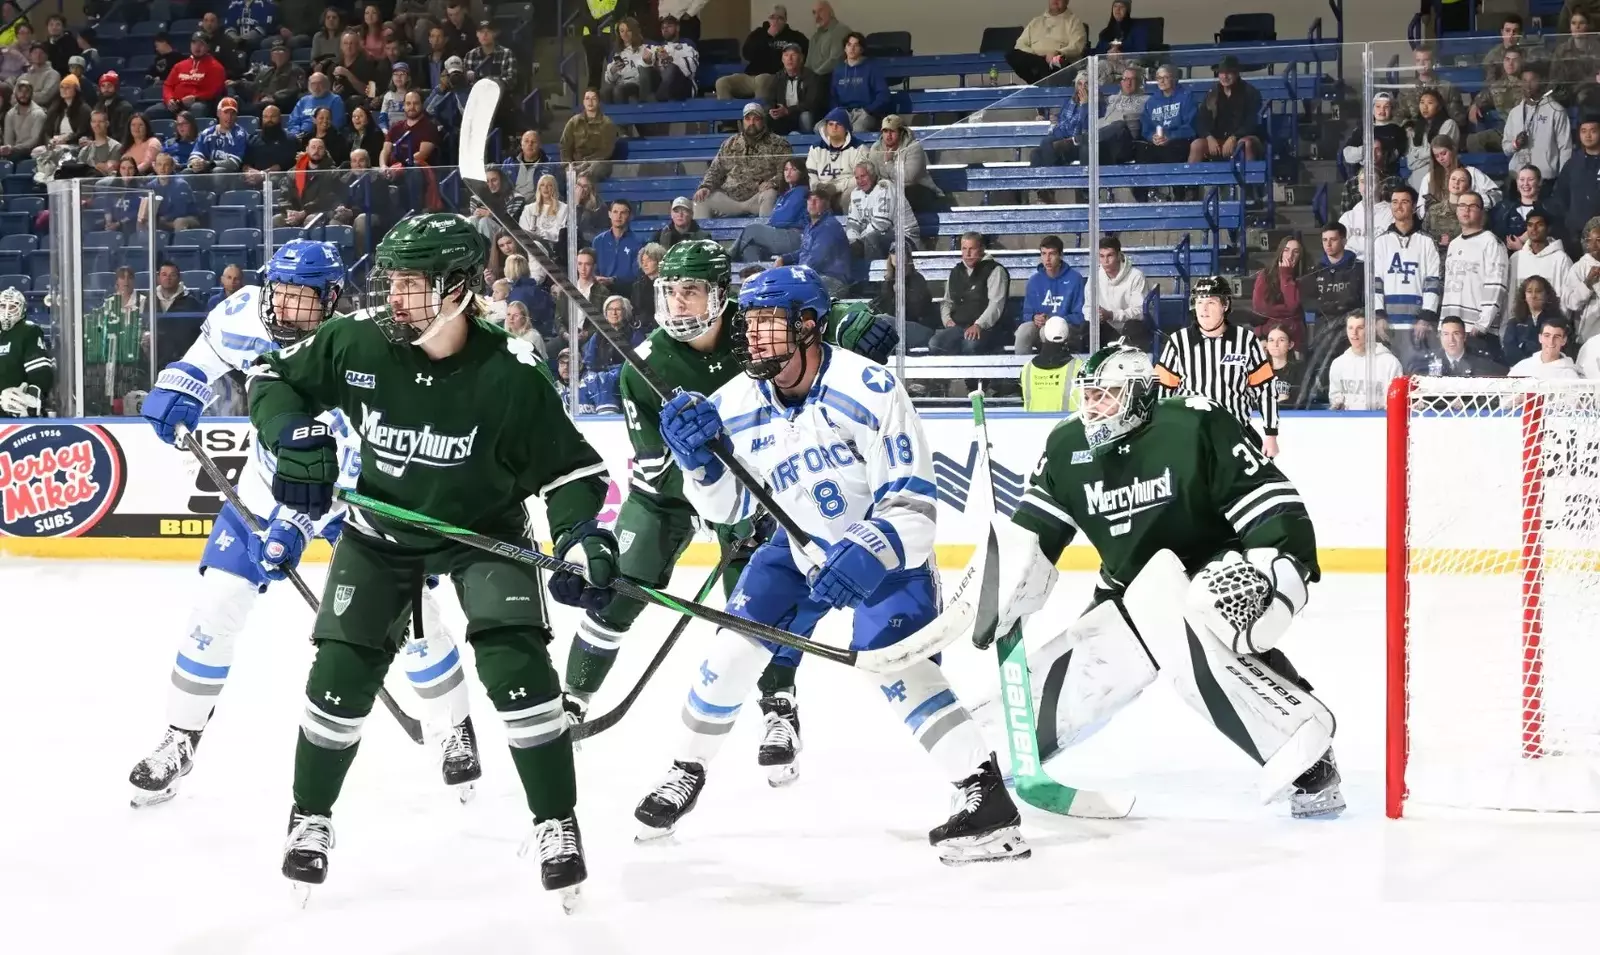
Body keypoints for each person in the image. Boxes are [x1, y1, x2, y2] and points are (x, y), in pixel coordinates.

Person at [246, 215, 609, 898]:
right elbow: (271, 377)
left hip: (483, 531)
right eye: (394, 282)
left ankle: (557, 820)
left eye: (414, 284)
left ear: (458, 290)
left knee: (520, 672)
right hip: (381, 529)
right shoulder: (357, 339)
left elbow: (571, 474)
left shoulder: (512, 375)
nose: (396, 298)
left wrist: (585, 537)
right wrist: (291, 434)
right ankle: (310, 815)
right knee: (339, 674)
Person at [635, 264, 1025, 863]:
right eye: (751, 324)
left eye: (769, 324)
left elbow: (915, 500)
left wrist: (870, 551)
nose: (753, 337)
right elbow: (729, 507)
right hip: (796, 552)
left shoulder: (869, 388)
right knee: (732, 649)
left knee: (893, 667)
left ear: (810, 326)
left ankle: (986, 797)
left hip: (887, 556)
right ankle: (685, 770)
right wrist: (702, 463)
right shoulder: (735, 401)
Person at [127, 238, 484, 808]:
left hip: (356, 495)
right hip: (266, 485)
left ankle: (453, 726)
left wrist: (293, 527)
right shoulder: (247, 310)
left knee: (417, 619)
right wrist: (181, 386)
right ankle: (179, 736)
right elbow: (208, 352)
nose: (286, 310)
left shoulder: (357, 351)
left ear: (333, 300)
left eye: (303, 300)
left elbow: (340, 455)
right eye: (281, 295)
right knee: (217, 604)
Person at [995, 342, 1342, 820]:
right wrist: (1006, 587)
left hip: (1208, 568)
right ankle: (995, 748)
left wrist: (1281, 564)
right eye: (1088, 396)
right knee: (1091, 664)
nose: (1092, 408)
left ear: (1138, 394)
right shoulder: (1066, 445)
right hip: (1124, 586)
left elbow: (1268, 498)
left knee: (1210, 615)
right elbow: (1034, 536)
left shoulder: (1194, 424)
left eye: (1106, 396)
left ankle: (1307, 753)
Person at [1156, 277, 1280, 457]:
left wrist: (1271, 434)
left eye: (1211, 302)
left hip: (1236, 437)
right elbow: (1163, 393)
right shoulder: (1178, 342)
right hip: (1191, 438)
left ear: (1225, 305)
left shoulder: (1246, 341)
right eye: (1199, 302)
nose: (1203, 309)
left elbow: (1265, 389)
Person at [1440, 191, 1509, 362]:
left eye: (1472, 206)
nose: (1466, 210)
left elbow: (1497, 285)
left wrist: (1482, 325)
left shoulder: (1491, 242)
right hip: (1452, 332)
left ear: (1481, 212)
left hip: (1477, 332)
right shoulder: (1454, 244)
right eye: (1462, 205)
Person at [694, 102, 793, 219]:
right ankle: (701, 237)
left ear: (763, 121)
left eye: (756, 119)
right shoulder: (730, 143)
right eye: (748, 119)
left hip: (758, 199)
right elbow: (715, 170)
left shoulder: (779, 144)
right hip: (730, 201)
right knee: (701, 198)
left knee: (770, 193)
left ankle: (766, 235)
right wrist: (705, 186)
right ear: (743, 121)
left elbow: (787, 173)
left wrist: (773, 182)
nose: (751, 123)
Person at [1372, 184, 1442, 332]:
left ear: (1414, 206)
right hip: (1387, 323)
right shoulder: (1380, 241)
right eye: (1395, 202)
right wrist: (1378, 316)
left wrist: (1425, 317)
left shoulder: (1427, 241)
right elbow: (1375, 282)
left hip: (1418, 324)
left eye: (1404, 202)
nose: (1398, 206)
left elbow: (1433, 282)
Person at [930, 233, 1009, 357]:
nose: (967, 254)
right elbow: (947, 301)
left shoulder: (995, 270)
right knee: (935, 343)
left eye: (972, 249)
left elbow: (996, 304)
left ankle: (973, 377)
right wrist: (947, 321)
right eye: (964, 249)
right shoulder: (956, 271)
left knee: (970, 345)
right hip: (958, 326)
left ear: (981, 249)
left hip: (986, 328)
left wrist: (979, 325)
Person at [715, 4, 807, 101]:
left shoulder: (794, 37)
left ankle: (759, 114)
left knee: (762, 79)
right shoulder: (758, 34)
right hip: (750, 77)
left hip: (775, 77)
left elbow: (804, 55)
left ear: (785, 21)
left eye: (779, 18)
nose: (775, 21)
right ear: (768, 19)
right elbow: (747, 54)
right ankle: (730, 115)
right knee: (722, 83)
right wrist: (767, 36)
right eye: (772, 17)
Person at [1503, 61, 1571, 186]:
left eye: (1533, 80)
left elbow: (1565, 149)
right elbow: (1506, 148)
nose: (1528, 85)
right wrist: (1515, 144)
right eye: (1524, 80)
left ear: (1542, 81)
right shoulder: (1515, 113)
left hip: (1546, 180)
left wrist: (1563, 180)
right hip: (1518, 179)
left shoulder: (1556, 111)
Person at [1018, 235, 1086, 356]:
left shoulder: (1075, 279)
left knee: (1049, 331)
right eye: (1043, 254)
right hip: (1039, 327)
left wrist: (1053, 320)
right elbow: (1026, 313)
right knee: (1023, 331)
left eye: (1052, 254)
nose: (1047, 259)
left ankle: (1050, 367)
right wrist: (1034, 317)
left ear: (1060, 255)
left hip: (1067, 328)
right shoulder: (1034, 281)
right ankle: (1024, 371)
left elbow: (1080, 315)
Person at [779, 185, 851, 295]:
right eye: (809, 200)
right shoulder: (810, 226)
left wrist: (793, 274)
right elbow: (805, 251)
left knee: (793, 291)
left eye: (816, 200)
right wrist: (784, 259)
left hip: (833, 280)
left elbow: (816, 258)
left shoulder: (829, 226)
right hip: (814, 277)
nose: (812, 203)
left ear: (826, 204)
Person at [733, 158, 809, 262]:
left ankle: (728, 256)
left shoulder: (801, 192)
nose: (788, 173)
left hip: (795, 237)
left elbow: (782, 219)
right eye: (786, 169)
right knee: (750, 248)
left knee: (752, 229)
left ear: (801, 173)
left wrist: (774, 218)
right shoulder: (786, 193)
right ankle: (756, 274)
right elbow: (776, 218)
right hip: (782, 234)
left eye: (793, 169)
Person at [1324, 312, 1403, 410]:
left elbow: (1396, 402)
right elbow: (1335, 397)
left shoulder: (1390, 363)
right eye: (1350, 328)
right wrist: (1337, 405)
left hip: (1379, 422)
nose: (1354, 333)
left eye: (1360, 328)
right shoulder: (1338, 363)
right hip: (1348, 423)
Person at [846, 159, 916, 263]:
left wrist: (860, 240)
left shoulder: (885, 187)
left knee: (871, 238)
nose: (860, 181)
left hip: (904, 237)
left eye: (863, 176)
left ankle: (875, 277)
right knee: (846, 246)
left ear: (872, 175)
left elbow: (881, 224)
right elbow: (852, 224)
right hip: (872, 238)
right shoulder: (855, 193)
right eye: (857, 178)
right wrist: (853, 240)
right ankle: (855, 278)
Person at [1087, 235, 1150, 346]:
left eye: (1109, 255)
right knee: (1088, 327)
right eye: (1101, 256)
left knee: (1133, 326)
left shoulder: (1136, 276)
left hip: (1131, 329)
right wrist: (1095, 315)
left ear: (1118, 255)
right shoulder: (1094, 277)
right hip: (1107, 328)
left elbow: (1140, 312)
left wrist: (1112, 315)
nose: (1105, 261)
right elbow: (1087, 307)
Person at [1008, 0, 1087, 85]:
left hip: (1059, 63)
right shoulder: (1036, 21)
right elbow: (1019, 44)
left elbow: (1077, 47)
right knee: (1012, 55)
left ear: (1066, 1)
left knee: (1053, 65)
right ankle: (1041, 81)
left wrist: (1057, 52)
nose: (1055, 0)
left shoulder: (1074, 21)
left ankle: (1041, 83)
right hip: (1036, 62)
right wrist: (1037, 55)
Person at [0, 287, 52, 417]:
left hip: (12, 412)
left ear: (22, 309)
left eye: (12, 307)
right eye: (2, 306)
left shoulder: (28, 331)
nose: (6, 311)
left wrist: (31, 399)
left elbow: (40, 373)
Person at [151, 32, 227, 121]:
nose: (197, 47)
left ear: (208, 47)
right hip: (176, 103)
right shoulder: (179, 66)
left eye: (201, 44)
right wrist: (169, 99)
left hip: (199, 102)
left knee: (197, 109)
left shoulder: (216, 67)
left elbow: (214, 90)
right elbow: (168, 85)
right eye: (194, 43)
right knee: (150, 112)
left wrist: (196, 97)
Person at [806, 107, 866, 211]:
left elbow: (861, 178)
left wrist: (836, 187)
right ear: (825, 127)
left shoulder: (859, 148)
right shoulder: (816, 148)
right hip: (821, 190)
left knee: (851, 194)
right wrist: (817, 186)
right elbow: (811, 175)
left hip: (845, 190)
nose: (834, 128)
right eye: (830, 124)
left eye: (838, 124)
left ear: (846, 128)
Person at [1250, 236, 1306, 346]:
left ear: (1300, 256)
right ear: (1280, 252)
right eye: (1286, 250)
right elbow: (1261, 308)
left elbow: (1292, 306)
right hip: (1266, 334)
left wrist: (1286, 275)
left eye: (1295, 252)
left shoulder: (1304, 278)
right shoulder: (1265, 275)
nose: (1290, 256)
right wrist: (1287, 314)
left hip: (1292, 337)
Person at [1136, 64, 1197, 164]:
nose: (1161, 81)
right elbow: (1146, 128)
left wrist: (1170, 137)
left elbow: (1191, 127)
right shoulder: (1151, 102)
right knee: (1142, 151)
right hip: (1156, 143)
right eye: (1159, 78)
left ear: (1174, 78)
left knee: (1170, 151)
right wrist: (1152, 137)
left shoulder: (1186, 97)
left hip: (1179, 141)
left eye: (1166, 77)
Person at [760, 41, 824, 135]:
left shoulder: (811, 77)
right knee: (767, 116)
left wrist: (788, 110)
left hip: (800, 115)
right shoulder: (778, 77)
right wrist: (772, 109)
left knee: (806, 115)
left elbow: (812, 103)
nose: (789, 59)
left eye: (793, 55)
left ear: (801, 58)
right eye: (786, 55)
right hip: (783, 118)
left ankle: (806, 142)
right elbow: (770, 99)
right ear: (782, 59)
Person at [830, 32, 888, 132]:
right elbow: (832, 96)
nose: (852, 48)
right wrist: (837, 111)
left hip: (864, 113)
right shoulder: (838, 70)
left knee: (858, 129)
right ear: (845, 48)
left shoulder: (871, 68)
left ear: (861, 49)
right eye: (849, 45)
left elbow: (883, 95)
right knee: (820, 127)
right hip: (843, 113)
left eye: (856, 45)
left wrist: (868, 110)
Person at [558, 88, 618, 183]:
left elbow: (606, 151)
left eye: (593, 99)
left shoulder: (607, 123)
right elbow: (564, 145)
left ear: (598, 102)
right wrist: (568, 165)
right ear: (583, 102)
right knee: (559, 174)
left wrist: (586, 163)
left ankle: (584, 187)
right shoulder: (574, 121)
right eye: (587, 98)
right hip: (576, 164)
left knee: (595, 169)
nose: (590, 101)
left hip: (599, 163)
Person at [1018, 315, 1076, 412]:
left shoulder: (1027, 368)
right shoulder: (1079, 368)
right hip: (1065, 425)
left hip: (1032, 424)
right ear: (1068, 337)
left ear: (1043, 336)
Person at [599, 17, 653, 105]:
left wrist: (646, 61)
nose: (625, 34)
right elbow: (609, 80)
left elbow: (648, 69)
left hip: (637, 84)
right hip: (622, 83)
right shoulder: (617, 52)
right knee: (605, 93)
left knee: (618, 90)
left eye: (628, 31)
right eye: (622, 31)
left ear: (634, 31)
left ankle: (624, 118)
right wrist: (613, 70)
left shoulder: (645, 47)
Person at [1508, 318, 1582, 379]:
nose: (1551, 341)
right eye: (1547, 335)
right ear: (1540, 338)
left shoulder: (1570, 376)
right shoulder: (1522, 367)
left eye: (1556, 337)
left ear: (1564, 340)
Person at [651, 14, 700, 103]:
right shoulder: (658, 47)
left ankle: (657, 98)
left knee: (672, 67)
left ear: (677, 28)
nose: (665, 29)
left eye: (669, 26)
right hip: (663, 84)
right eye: (663, 28)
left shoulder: (688, 44)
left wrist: (670, 58)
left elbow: (691, 69)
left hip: (684, 85)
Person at [593, 199, 642, 285]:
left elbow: (636, 274)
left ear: (630, 216)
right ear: (609, 214)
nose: (618, 216)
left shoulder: (638, 242)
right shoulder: (598, 241)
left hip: (626, 291)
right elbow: (593, 267)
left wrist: (613, 280)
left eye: (623, 213)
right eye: (615, 212)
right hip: (600, 289)